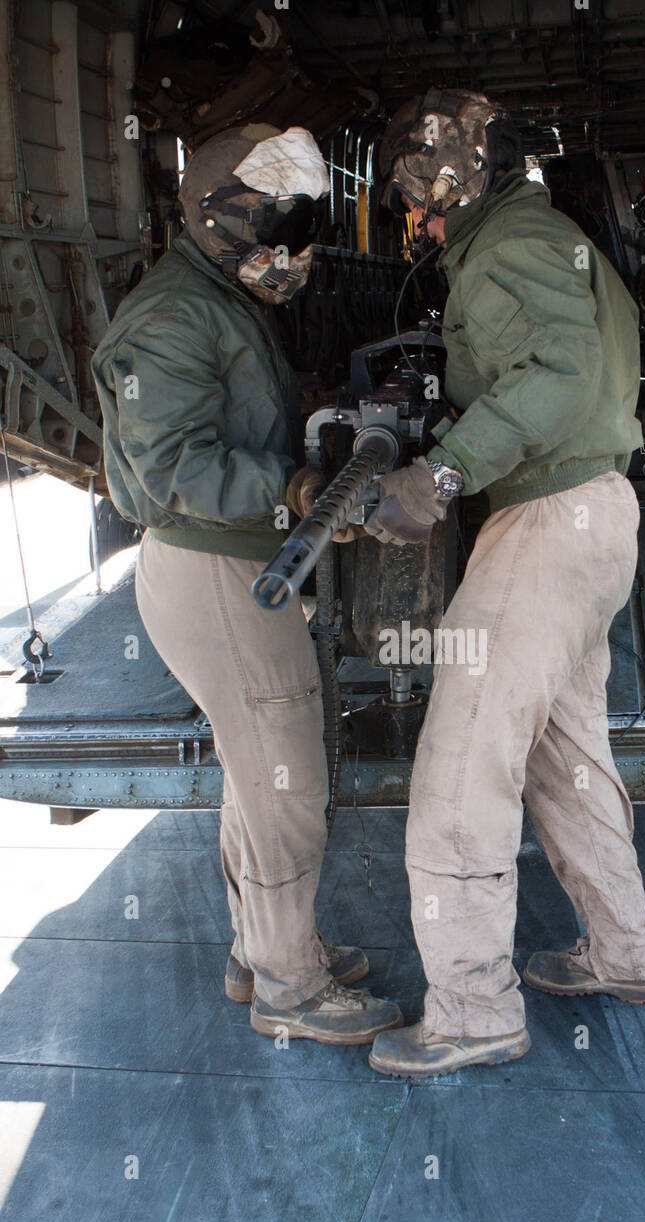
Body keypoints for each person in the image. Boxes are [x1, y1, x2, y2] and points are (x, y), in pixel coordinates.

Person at [364, 89, 645, 1078]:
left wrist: (438, 472)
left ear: (443, 177)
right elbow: (559, 366)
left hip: (542, 521)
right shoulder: (550, 236)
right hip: (594, 517)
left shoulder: (509, 247)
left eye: (415, 190)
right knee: (565, 757)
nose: (414, 212)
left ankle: (469, 1009)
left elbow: (554, 373)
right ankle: (623, 954)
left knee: (460, 763)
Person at [91, 124, 402, 1046]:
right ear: (220, 214)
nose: (297, 243)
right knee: (286, 779)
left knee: (255, 772)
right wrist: (293, 488)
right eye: (282, 220)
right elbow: (171, 469)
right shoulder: (172, 317)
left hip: (234, 559)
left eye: (308, 221)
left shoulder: (217, 299)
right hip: (214, 567)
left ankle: (260, 949)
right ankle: (289, 988)